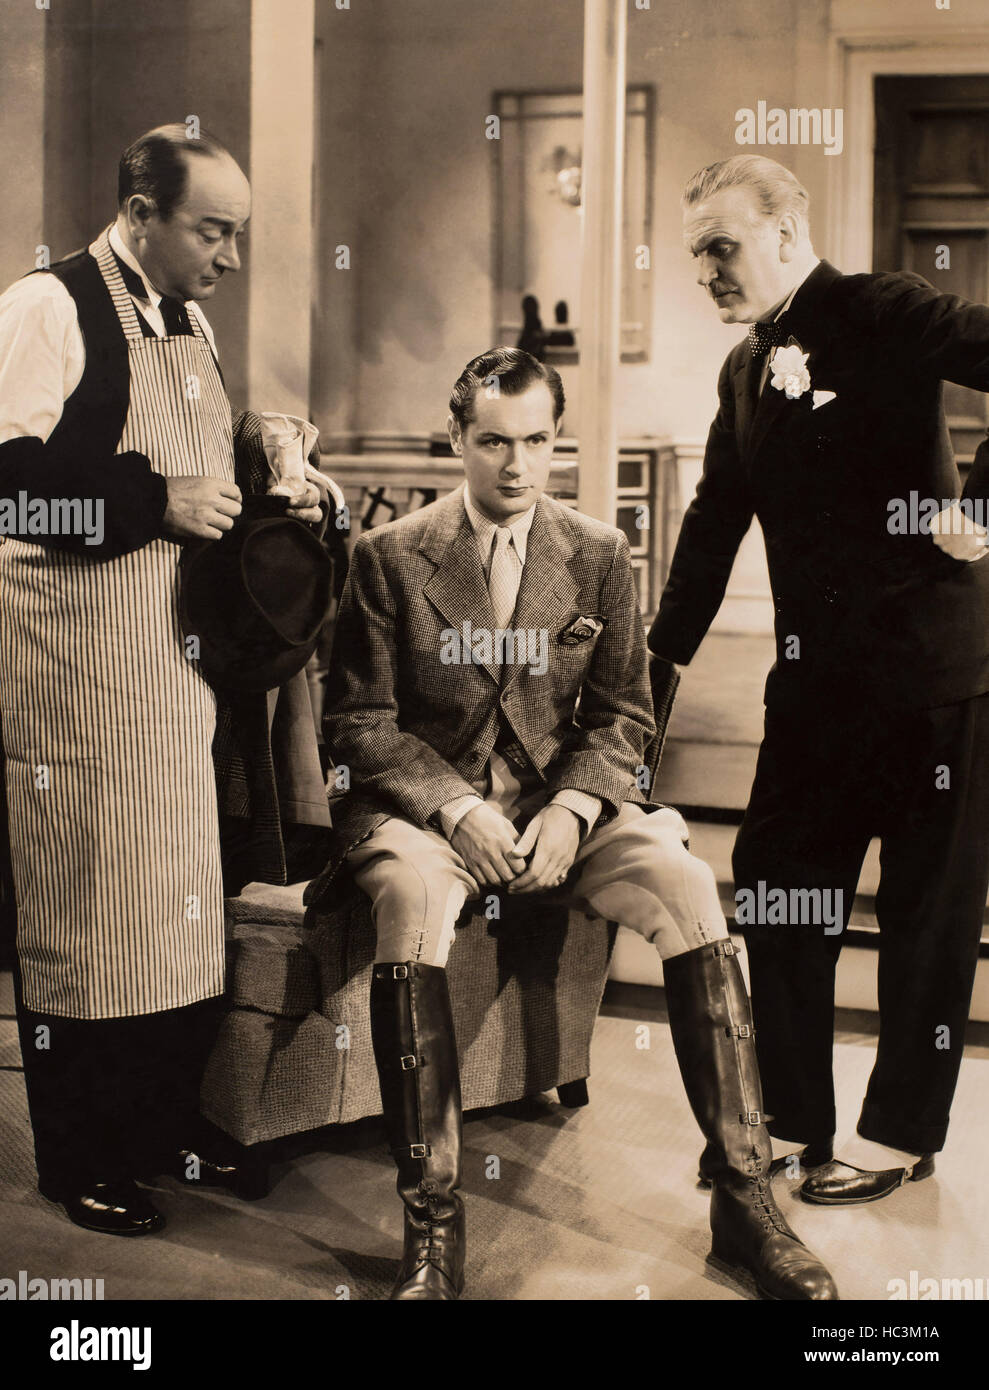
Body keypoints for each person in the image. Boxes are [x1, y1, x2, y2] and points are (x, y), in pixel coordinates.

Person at [306, 346, 837, 1301]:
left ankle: (745, 1203)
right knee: (414, 897)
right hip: (434, 816)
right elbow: (356, 724)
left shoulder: (598, 552)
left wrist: (577, 806)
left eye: (537, 441)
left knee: (684, 884)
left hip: (567, 805)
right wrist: (458, 810)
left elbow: (625, 717)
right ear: (457, 441)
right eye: (493, 443)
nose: (516, 465)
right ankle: (431, 1227)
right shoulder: (387, 556)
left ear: (555, 440)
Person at [648, 154, 989, 1207]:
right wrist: (652, 671)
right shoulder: (741, 371)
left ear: (786, 234)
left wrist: (980, 505)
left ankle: (898, 1135)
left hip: (931, 678)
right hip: (811, 689)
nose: (704, 271)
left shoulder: (880, 307)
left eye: (722, 247)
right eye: (694, 253)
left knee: (928, 910)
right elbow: (710, 527)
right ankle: (791, 1120)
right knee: (778, 887)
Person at [0, 124, 323, 1236]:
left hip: (169, 679)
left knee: (173, 921)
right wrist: (156, 503)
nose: (230, 255)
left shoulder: (184, 318)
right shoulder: (45, 306)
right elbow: (13, 491)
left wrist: (270, 463)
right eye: (212, 230)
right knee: (87, 925)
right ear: (141, 215)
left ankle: (163, 1128)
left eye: (237, 233)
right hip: (74, 681)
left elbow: (194, 471)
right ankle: (78, 1157)